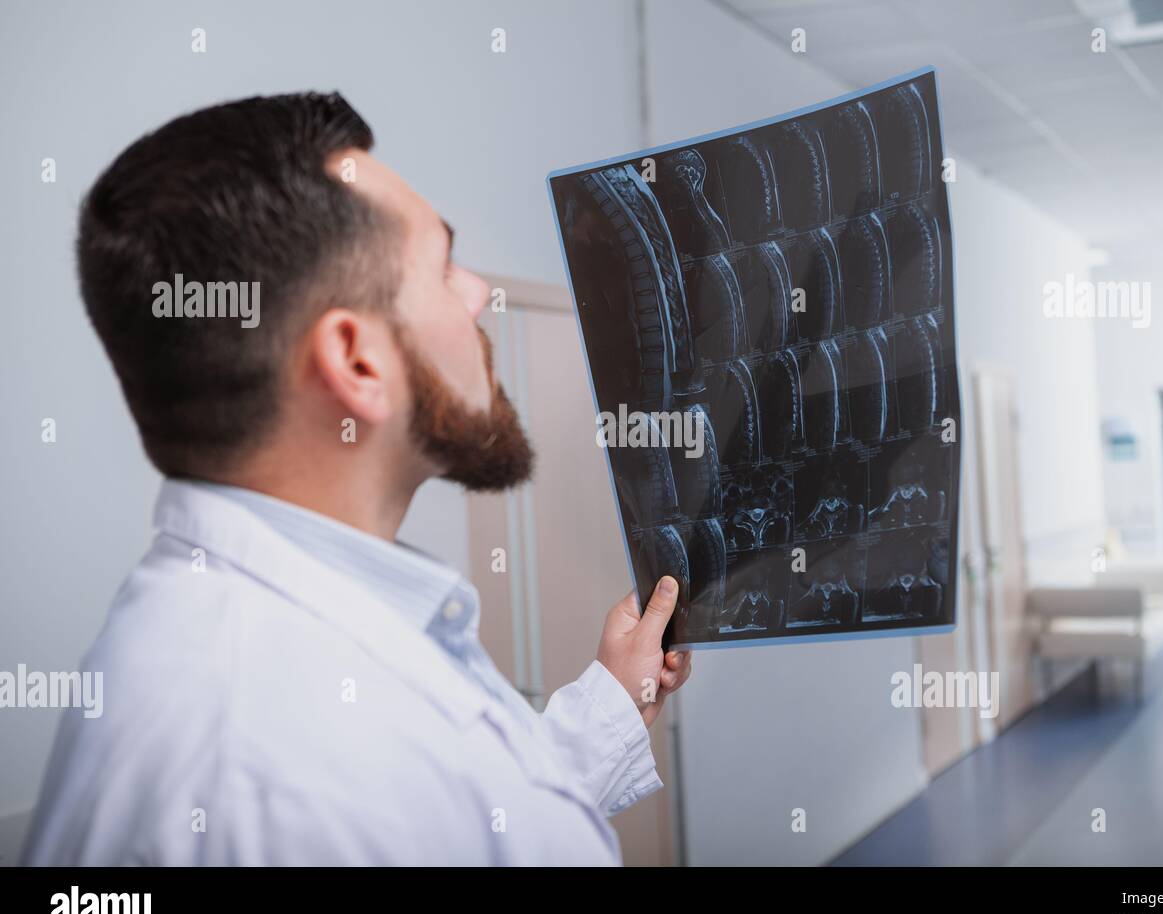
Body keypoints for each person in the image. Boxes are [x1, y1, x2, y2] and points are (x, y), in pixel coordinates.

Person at [22, 92, 691, 866]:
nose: (477, 293)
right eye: (443, 267)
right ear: (357, 363)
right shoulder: (289, 772)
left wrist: (613, 698)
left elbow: (463, 820)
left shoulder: (239, 658)